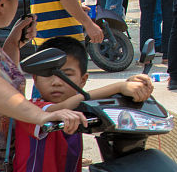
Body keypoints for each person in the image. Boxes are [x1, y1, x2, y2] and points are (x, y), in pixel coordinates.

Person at [0, 0, 86, 171]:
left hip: (7, 160)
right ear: (2, 5)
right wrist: (42, 116)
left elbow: (1, 80)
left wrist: (14, 43)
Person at [12, 37, 153, 172]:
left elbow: (86, 100)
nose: (56, 82)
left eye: (66, 75)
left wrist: (131, 85)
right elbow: (63, 107)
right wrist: (118, 86)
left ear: (83, 80)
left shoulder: (79, 107)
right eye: (48, 75)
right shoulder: (33, 109)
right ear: (35, 79)